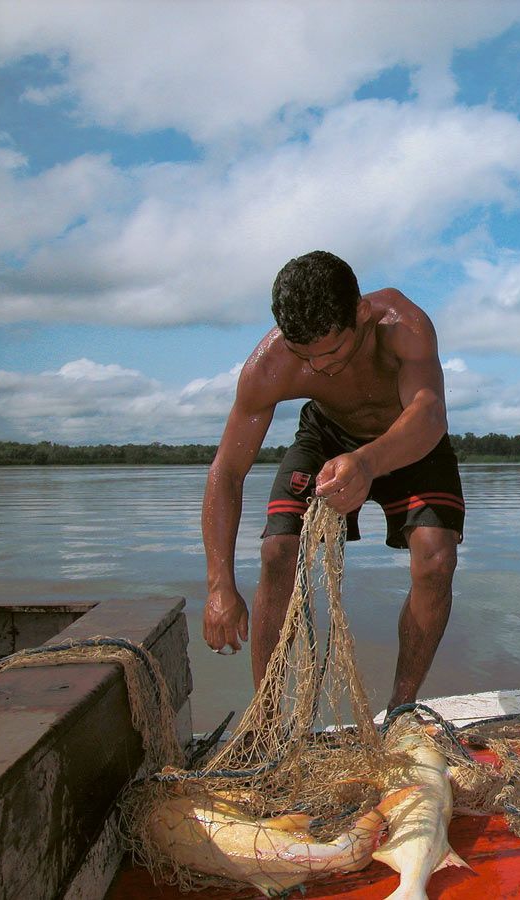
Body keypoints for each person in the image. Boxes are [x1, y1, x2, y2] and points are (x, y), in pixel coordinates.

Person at [202, 250, 464, 709]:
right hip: (327, 434)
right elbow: (227, 470)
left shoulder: (402, 325)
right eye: (306, 356)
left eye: (333, 350)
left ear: (361, 314)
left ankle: (400, 709)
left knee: (436, 558)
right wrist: (219, 583)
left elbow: (429, 414)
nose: (320, 367)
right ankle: (263, 717)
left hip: (408, 435)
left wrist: (366, 463)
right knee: (277, 551)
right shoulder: (270, 366)